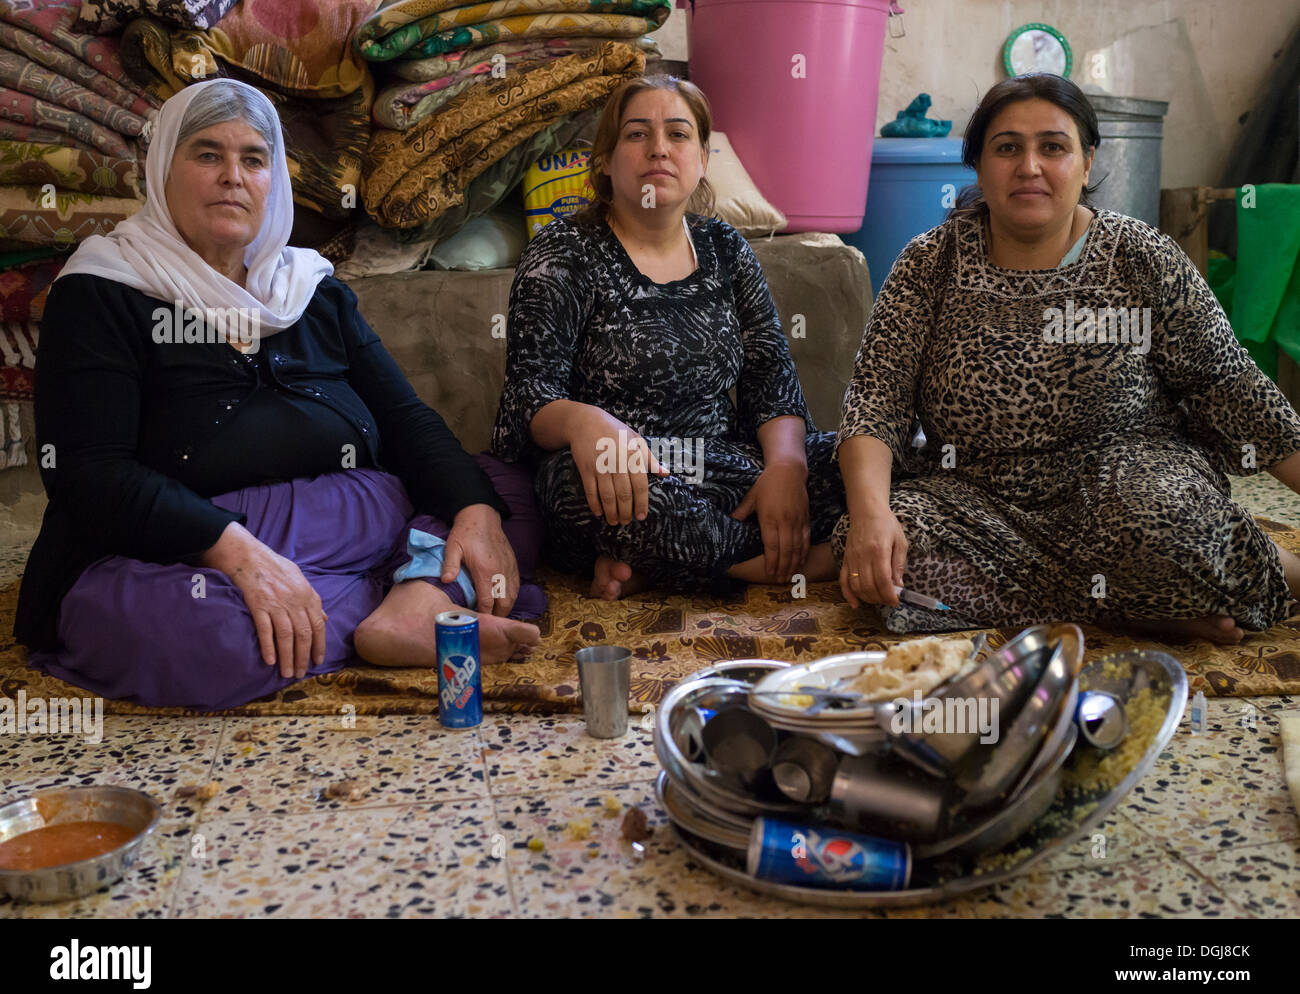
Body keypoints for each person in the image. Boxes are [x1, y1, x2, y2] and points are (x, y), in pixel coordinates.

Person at [15, 78, 545, 711]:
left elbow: (403, 419)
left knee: (505, 497)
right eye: (207, 154)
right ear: (161, 172)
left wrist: (474, 511)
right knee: (204, 639)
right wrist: (234, 549)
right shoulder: (103, 290)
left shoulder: (311, 290)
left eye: (253, 159)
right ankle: (415, 591)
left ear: (275, 182)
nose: (232, 177)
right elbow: (87, 473)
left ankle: (403, 601)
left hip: (358, 516)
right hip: (194, 549)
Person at [834, 72, 1300, 642]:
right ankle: (1138, 605)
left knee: (1163, 531)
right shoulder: (930, 263)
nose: (1029, 166)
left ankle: (1252, 573)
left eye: (1052, 147)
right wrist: (870, 516)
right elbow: (876, 397)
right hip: (979, 495)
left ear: (1085, 163)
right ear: (978, 166)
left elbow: (1229, 386)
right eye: (1007, 148)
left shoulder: (1140, 257)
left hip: (1127, 481)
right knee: (884, 551)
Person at [492, 75, 844, 600]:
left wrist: (786, 470)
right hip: (623, 476)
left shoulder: (724, 247)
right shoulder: (564, 252)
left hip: (720, 462)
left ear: (702, 158)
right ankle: (783, 563)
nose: (659, 148)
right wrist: (587, 421)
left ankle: (661, 565)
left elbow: (770, 373)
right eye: (637, 135)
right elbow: (529, 398)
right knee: (575, 484)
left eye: (678, 134)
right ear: (606, 160)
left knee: (858, 456)